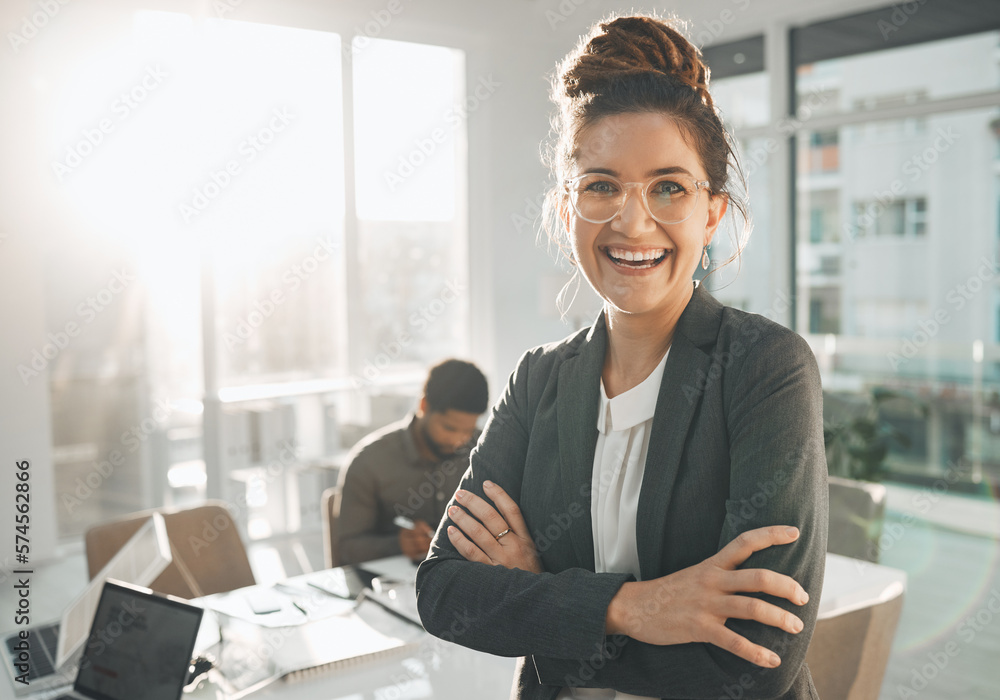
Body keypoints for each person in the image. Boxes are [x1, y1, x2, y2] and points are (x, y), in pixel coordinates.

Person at [416, 14, 828, 700]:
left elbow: (755, 658)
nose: (633, 223)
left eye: (669, 186)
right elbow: (445, 593)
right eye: (602, 185)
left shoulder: (765, 367)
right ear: (564, 208)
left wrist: (543, 596)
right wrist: (633, 608)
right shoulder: (538, 379)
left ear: (712, 212)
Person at [334, 358, 488, 565]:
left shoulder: (484, 449)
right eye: (449, 428)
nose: (458, 441)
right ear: (423, 405)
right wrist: (398, 544)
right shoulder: (369, 461)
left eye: (468, 431)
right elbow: (347, 548)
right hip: (391, 588)